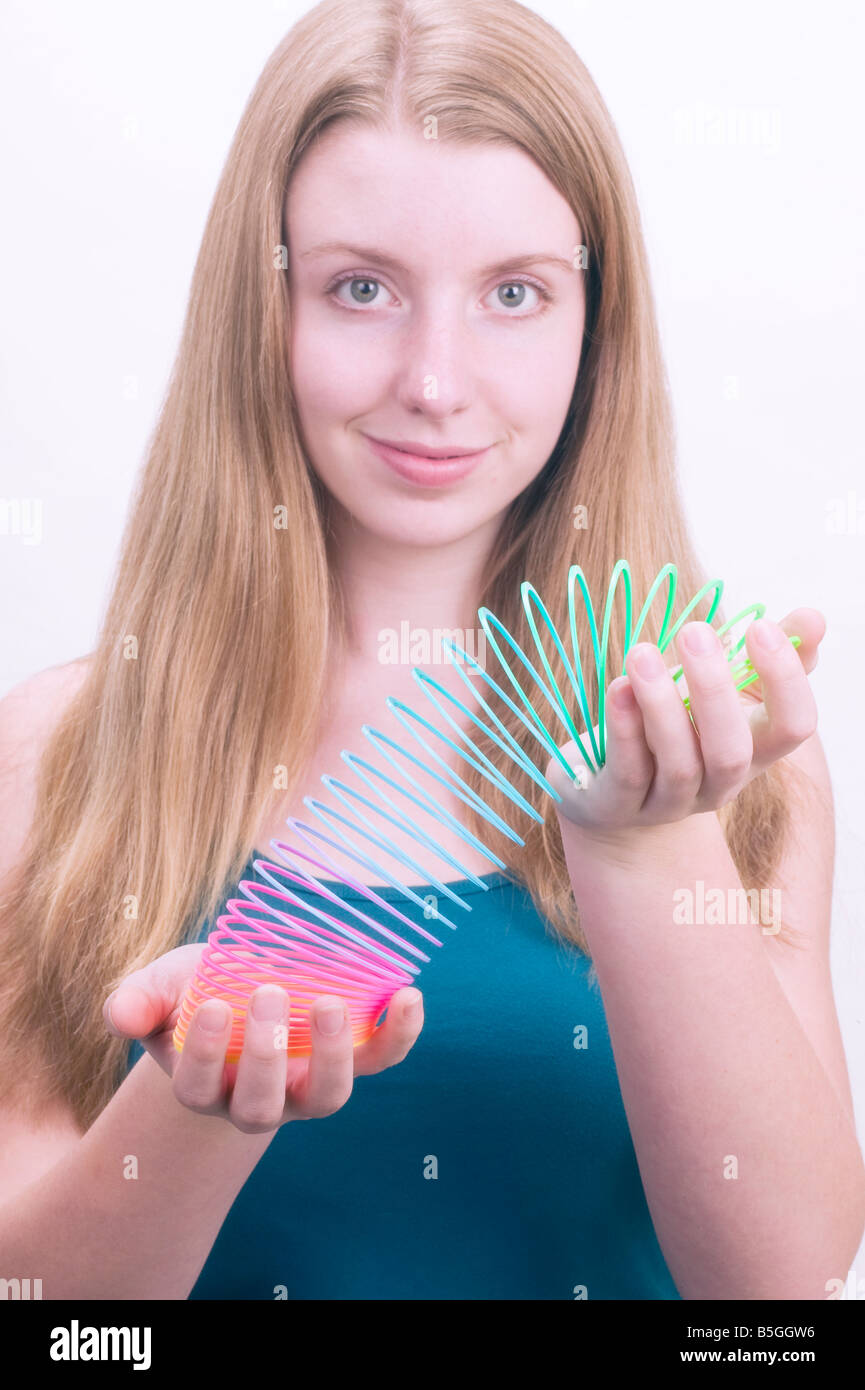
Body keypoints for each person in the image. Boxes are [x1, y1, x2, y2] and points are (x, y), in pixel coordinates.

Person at [1, 0, 862, 1301]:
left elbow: (775, 1295)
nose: (435, 380)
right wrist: (201, 1103)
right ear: (262, 304)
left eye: (514, 294)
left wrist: (640, 840)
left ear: (594, 321)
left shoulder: (721, 763)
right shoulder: (63, 751)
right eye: (361, 287)